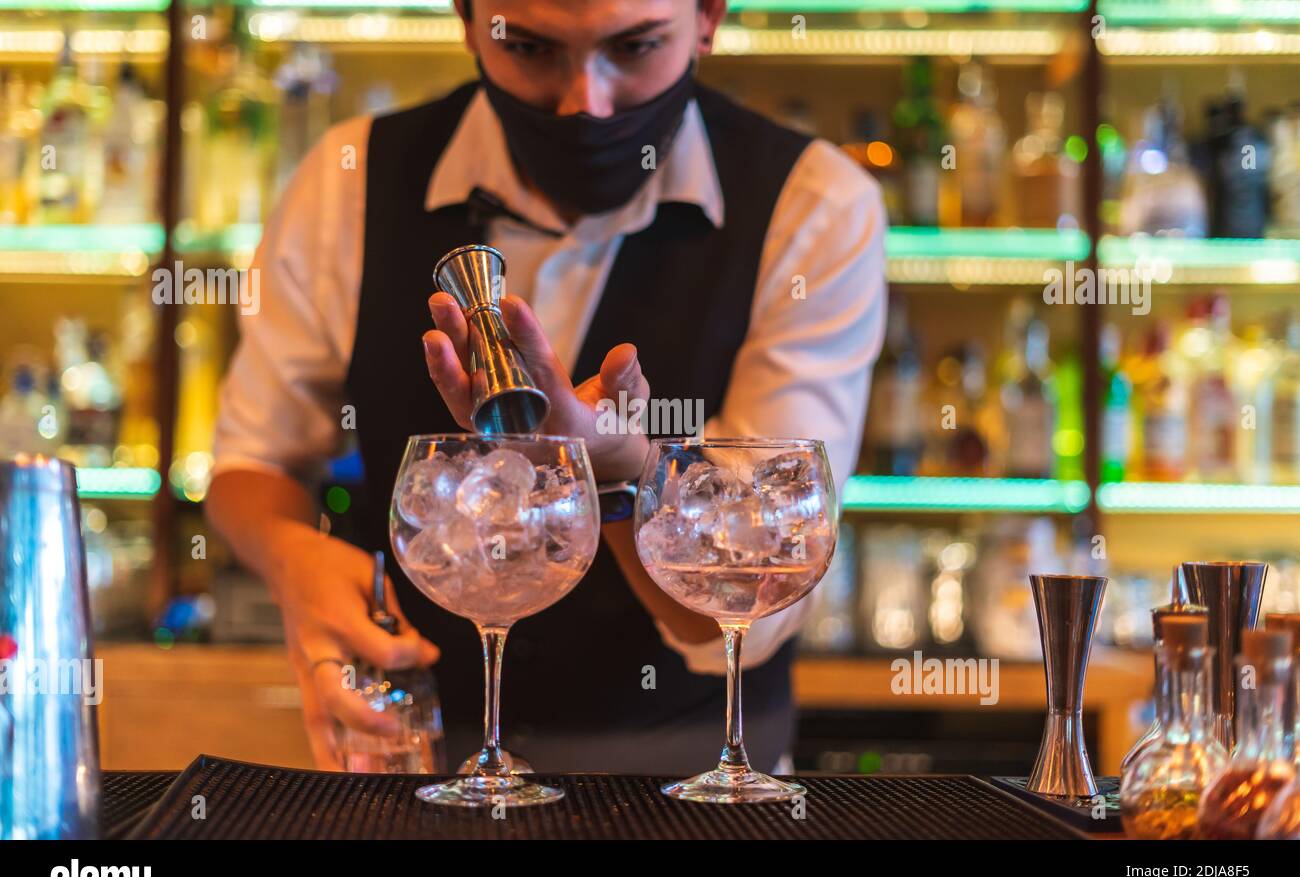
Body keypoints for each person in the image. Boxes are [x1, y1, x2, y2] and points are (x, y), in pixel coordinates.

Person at [206, 0, 885, 773]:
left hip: (690, 792)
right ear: (465, 20)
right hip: (421, 778)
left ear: (707, 16)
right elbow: (250, 462)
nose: (584, 103)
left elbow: (758, 595)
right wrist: (294, 559)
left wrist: (627, 471)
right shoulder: (347, 182)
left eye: (634, 47)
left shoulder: (816, 206)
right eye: (529, 47)